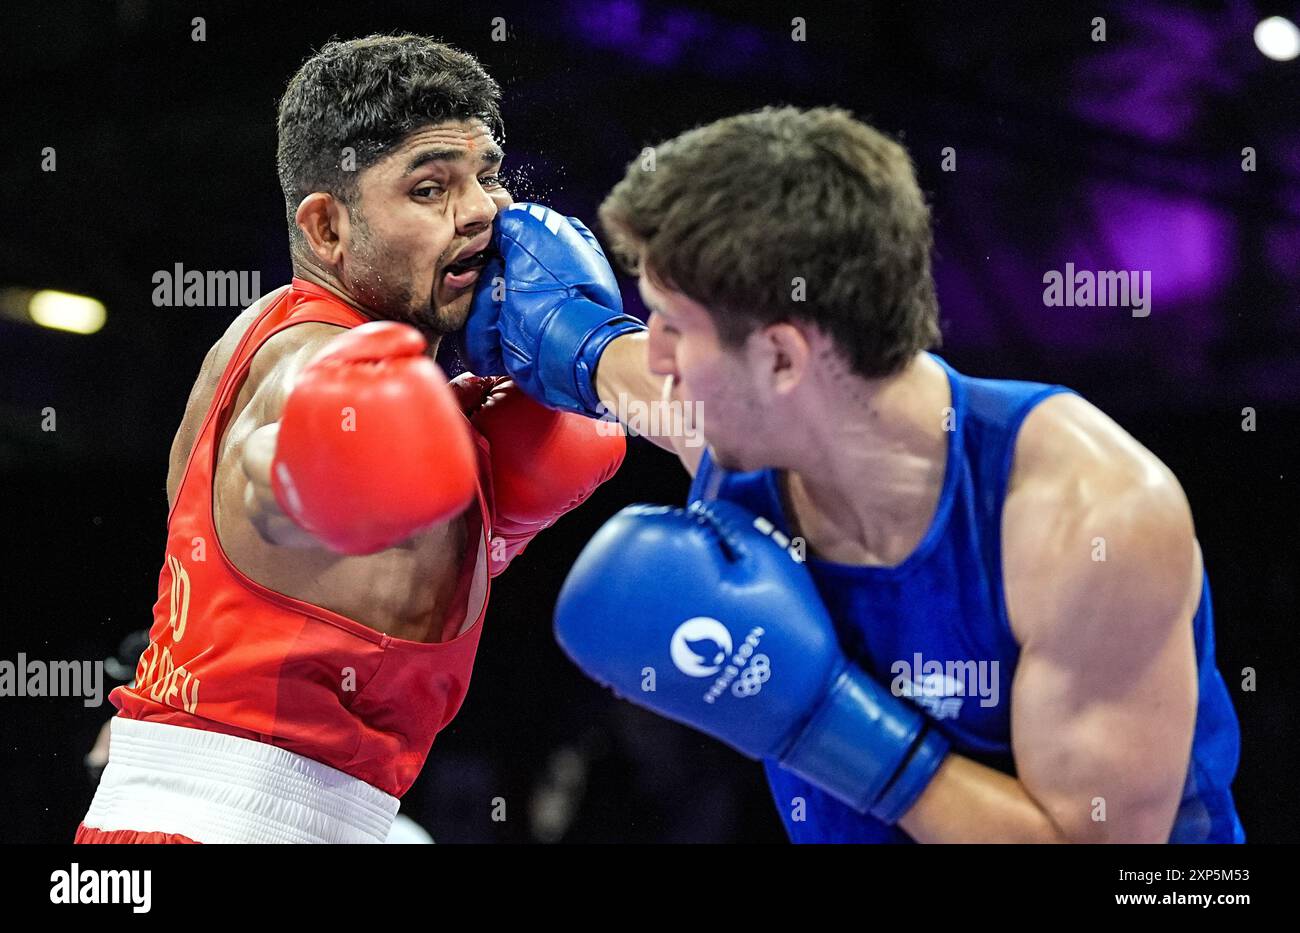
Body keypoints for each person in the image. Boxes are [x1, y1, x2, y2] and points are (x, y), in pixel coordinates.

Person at [463, 106, 1245, 843]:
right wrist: (544, 319)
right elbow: (601, 359)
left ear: (781, 356)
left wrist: (822, 721)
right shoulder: (731, 418)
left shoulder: (1092, 521)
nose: (655, 355)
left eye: (673, 324)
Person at [76, 34, 623, 845]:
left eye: (488, 175)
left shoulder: (432, 400)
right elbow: (285, 455)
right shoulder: (311, 364)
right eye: (430, 188)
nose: (480, 210)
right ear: (327, 228)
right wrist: (322, 471)